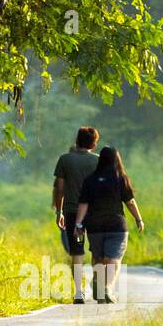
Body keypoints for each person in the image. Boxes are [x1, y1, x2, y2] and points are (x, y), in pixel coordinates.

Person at [74, 146, 145, 303]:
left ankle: (99, 285)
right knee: (114, 258)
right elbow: (130, 202)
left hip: (94, 226)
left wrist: (79, 224)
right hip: (116, 226)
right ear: (116, 159)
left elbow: (83, 204)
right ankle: (107, 288)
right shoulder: (121, 178)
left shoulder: (90, 180)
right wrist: (138, 219)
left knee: (98, 258)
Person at [52, 127, 101, 303]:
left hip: (72, 212)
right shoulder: (98, 161)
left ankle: (79, 293)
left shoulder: (65, 160)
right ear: (94, 143)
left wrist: (59, 211)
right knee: (97, 249)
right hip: (94, 213)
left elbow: (59, 188)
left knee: (77, 252)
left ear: (77, 140)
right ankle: (99, 287)